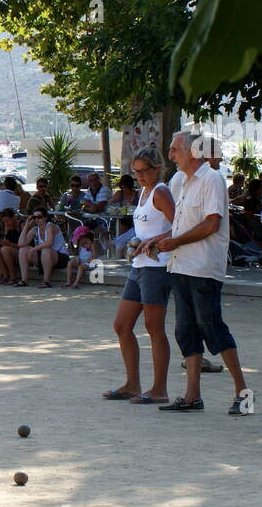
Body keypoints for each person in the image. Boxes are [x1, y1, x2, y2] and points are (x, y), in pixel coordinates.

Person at [155, 132, 251, 415]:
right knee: (186, 331)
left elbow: (211, 225)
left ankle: (242, 394)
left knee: (212, 327)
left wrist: (173, 241)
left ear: (192, 152)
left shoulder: (211, 179)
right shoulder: (181, 181)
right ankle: (192, 396)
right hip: (181, 264)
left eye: (174, 150)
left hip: (203, 267)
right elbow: (180, 225)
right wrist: (157, 240)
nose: (171, 156)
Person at [104, 147, 173, 404]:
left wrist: (156, 239)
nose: (141, 176)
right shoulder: (144, 192)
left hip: (157, 268)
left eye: (145, 171)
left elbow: (181, 225)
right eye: (136, 172)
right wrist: (136, 241)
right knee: (121, 325)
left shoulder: (162, 191)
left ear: (157, 168)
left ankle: (159, 389)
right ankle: (132, 384)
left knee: (154, 328)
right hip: (139, 265)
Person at [16, 206, 69, 287]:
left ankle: (46, 281)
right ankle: (24, 280)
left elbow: (49, 242)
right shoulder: (34, 229)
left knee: (46, 250)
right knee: (23, 250)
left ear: (45, 217)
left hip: (60, 257)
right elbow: (21, 244)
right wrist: (26, 226)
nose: (36, 219)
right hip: (45, 257)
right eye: (34, 217)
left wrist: (33, 249)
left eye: (39, 217)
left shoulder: (50, 226)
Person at [0, 208, 22, 285]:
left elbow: (25, 246)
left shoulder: (21, 226)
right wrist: (0, 242)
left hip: (22, 253)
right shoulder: (6, 227)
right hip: (10, 251)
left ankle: (13, 278)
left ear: (14, 218)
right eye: (4, 222)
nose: (6, 223)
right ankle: (5, 276)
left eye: (8, 221)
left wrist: (9, 244)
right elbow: (6, 241)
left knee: (5, 249)